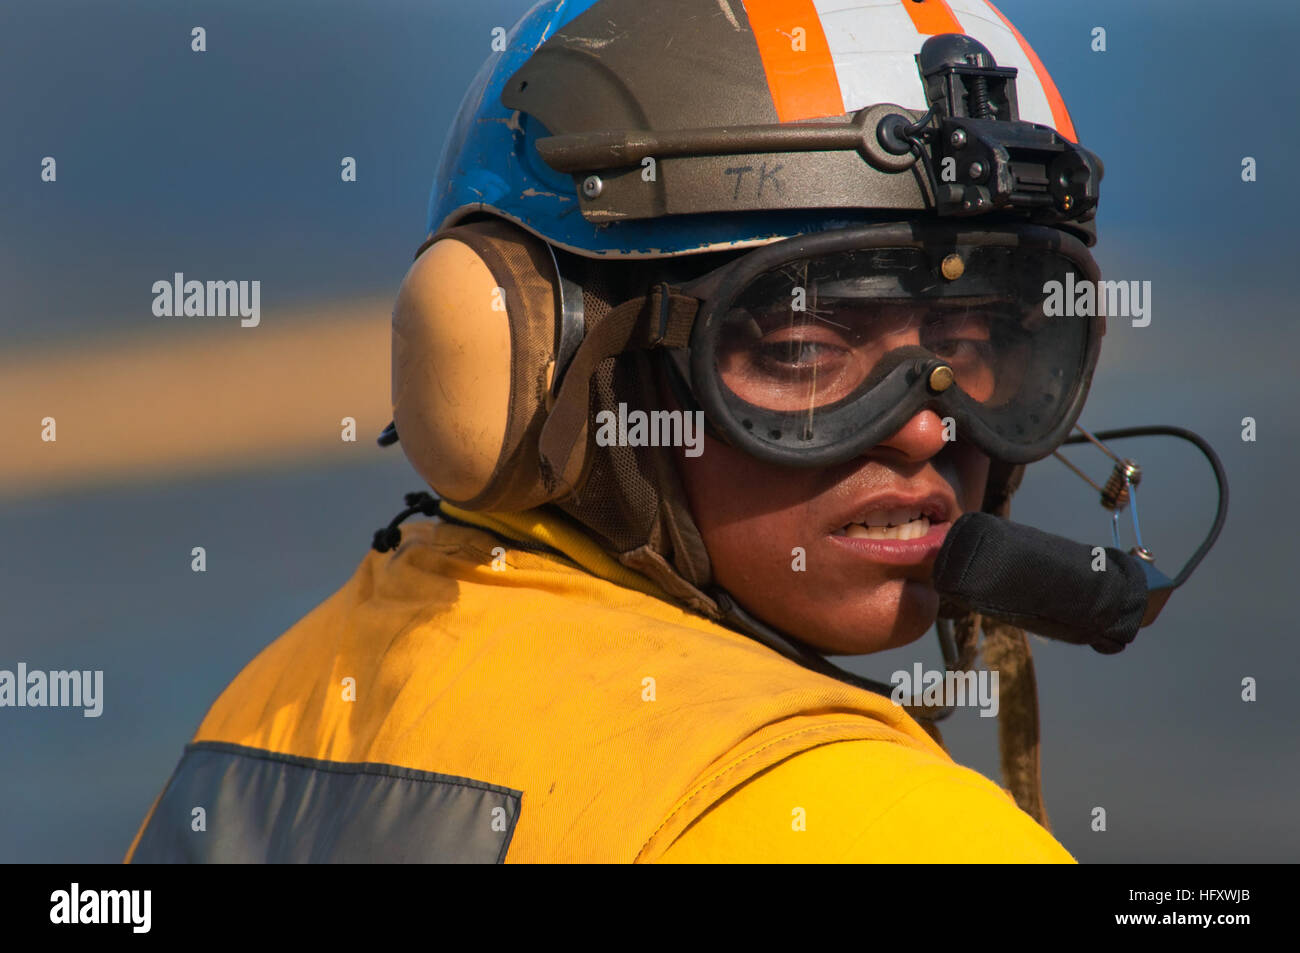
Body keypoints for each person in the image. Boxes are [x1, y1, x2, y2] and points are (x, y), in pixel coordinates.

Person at [126, 0, 1105, 863]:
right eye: (805, 351)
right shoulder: (886, 826)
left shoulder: (265, 717)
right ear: (543, 357)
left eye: (979, 341)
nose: (930, 427)